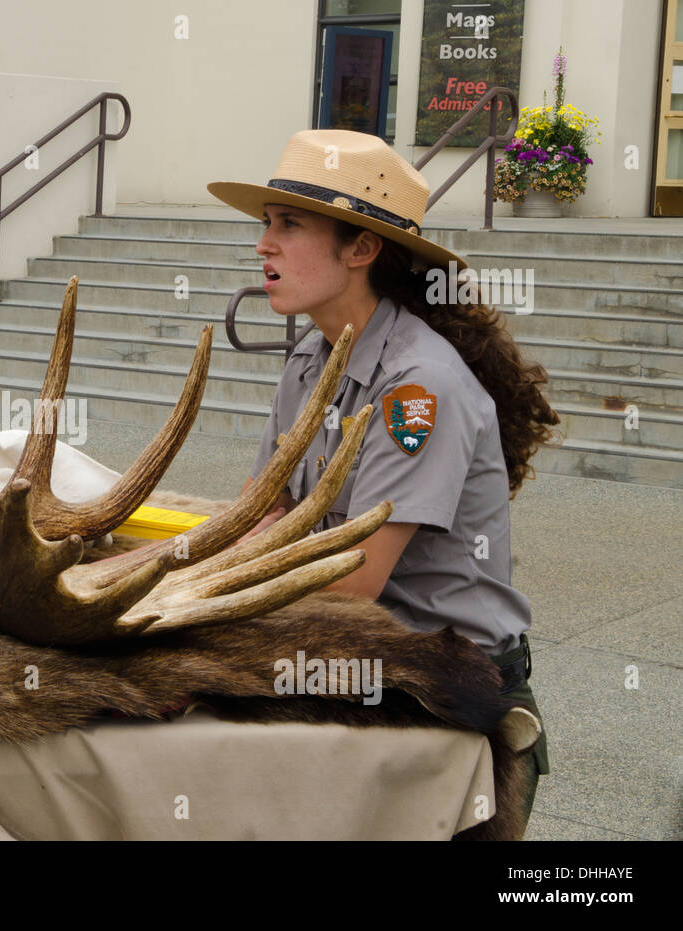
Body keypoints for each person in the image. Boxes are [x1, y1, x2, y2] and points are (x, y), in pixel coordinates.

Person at [209, 129, 559, 825]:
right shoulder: (312, 358)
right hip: (347, 652)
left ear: (362, 249)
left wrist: (227, 561)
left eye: (290, 225)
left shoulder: (418, 388)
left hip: (443, 686)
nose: (263, 245)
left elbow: (352, 580)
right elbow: (259, 510)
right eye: (266, 224)